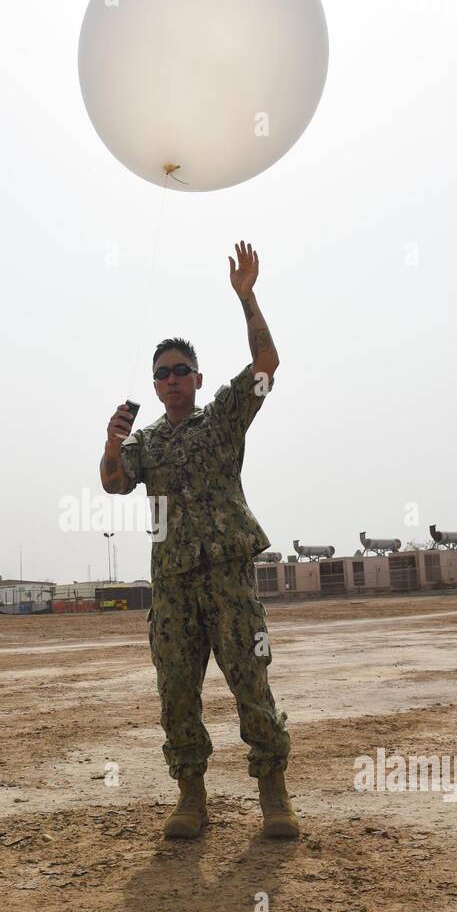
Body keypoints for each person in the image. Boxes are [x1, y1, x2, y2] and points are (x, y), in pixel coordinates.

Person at [100, 241, 297, 840]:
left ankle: (273, 796)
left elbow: (267, 361)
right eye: (161, 372)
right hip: (174, 585)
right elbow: (113, 485)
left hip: (229, 578)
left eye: (180, 369)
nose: (170, 378)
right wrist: (111, 443)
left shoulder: (224, 417)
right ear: (155, 386)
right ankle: (191, 798)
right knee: (176, 693)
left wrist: (247, 296)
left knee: (250, 682)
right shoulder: (146, 442)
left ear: (197, 378)